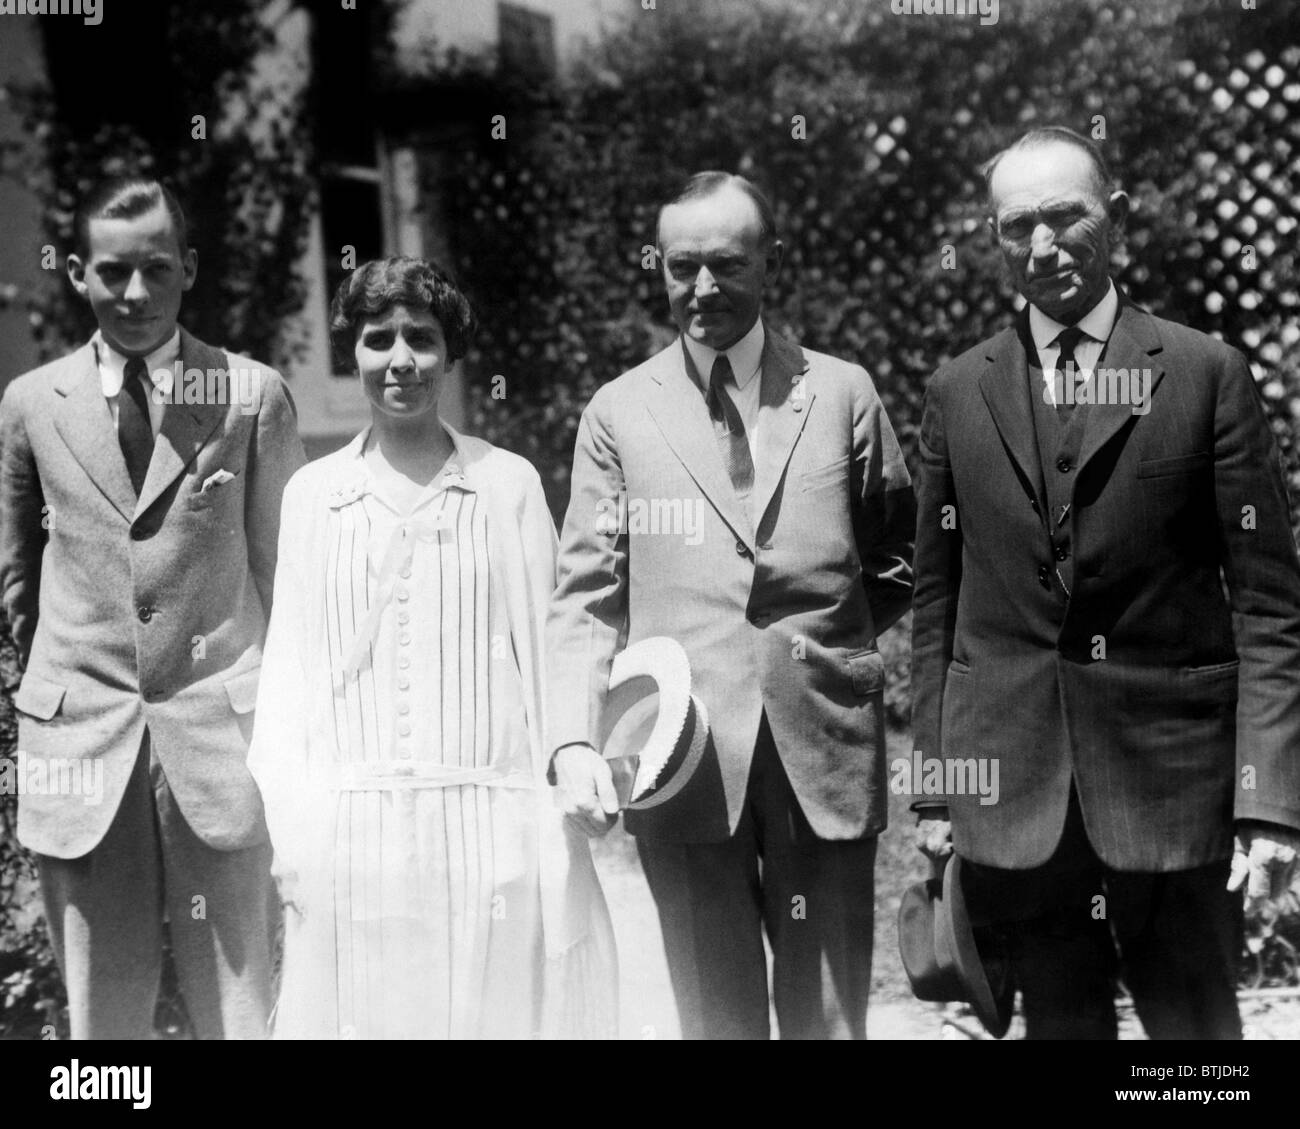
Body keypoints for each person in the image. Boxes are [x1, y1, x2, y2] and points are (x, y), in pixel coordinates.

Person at [910, 126, 1300, 1039]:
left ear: (1115, 220)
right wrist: (936, 786)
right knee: (1061, 1027)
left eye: (1064, 217)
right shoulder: (958, 391)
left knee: (1197, 1043)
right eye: (1017, 228)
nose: (1042, 248)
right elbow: (938, 606)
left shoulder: (1205, 374)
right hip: (1014, 793)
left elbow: (1273, 609)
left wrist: (1270, 802)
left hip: (1175, 788)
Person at [547, 172, 915, 1039]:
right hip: (681, 761)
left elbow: (899, 557)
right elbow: (586, 592)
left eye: (726, 263)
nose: (703, 288)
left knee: (830, 1019)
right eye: (682, 266)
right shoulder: (619, 412)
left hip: (817, 745)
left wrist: (828, 650)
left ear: (770, 263)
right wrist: (572, 738)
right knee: (716, 1019)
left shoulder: (842, 392)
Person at [249, 255, 617, 1039]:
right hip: (357, 846)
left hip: (489, 839)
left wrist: (563, 783)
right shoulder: (315, 497)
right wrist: (299, 840)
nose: (401, 360)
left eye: (422, 337)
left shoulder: (506, 485)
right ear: (353, 353)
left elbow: (550, 650)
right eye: (379, 339)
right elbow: (287, 687)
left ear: (451, 354)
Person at [0, 177, 305, 1038]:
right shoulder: (30, 403)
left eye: (156, 269)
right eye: (111, 271)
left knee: (239, 1008)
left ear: (189, 269)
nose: (134, 294)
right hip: (84, 742)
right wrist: (69, 678)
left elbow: (283, 576)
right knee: (104, 1020)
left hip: (219, 740)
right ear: (74, 273)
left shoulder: (249, 395)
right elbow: (17, 572)